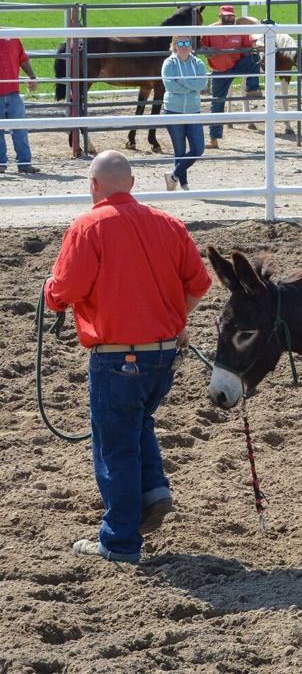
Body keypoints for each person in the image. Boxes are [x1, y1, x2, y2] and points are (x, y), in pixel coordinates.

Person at [44, 149, 211, 563]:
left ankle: (119, 542)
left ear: (93, 186)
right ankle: (153, 491)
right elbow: (199, 283)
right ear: (132, 184)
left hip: (117, 356)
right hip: (164, 353)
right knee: (138, 423)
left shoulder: (89, 227)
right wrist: (174, 321)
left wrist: (49, 290)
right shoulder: (169, 224)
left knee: (114, 443)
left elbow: (65, 290)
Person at [201, 4, 260, 150]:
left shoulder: (240, 30)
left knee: (254, 56)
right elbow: (201, 46)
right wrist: (206, 50)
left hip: (235, 65)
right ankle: (213, 139)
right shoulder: (210, 30)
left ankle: (253, 89)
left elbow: (248, 46)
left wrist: (253, 48)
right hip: (219, 70)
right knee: (217, 103)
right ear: (220, 16)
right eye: (226, 16)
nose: (229, 18)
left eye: (231, 16)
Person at [161, 35, 206, 192]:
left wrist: (183, 81)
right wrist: (191, 85)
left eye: (187, 42)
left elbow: (202, 83)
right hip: (173, 110)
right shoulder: (169, 63)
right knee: (179, 150)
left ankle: (173, 176)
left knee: (198, 148)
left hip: (194, 111)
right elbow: (170, 86)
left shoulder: (198, 63)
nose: (184, 46)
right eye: (180, 43)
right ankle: (183, 184)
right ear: (174, 45)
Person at [0, 32, 38, 174]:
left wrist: (32, 76)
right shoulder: (10, 36)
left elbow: (22, 58)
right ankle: (2, 163)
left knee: (20, 129)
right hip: (11, 92)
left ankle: (24, 163)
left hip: (13, 93)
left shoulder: (12, 37)